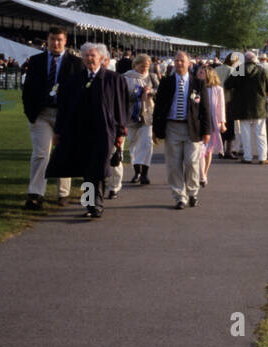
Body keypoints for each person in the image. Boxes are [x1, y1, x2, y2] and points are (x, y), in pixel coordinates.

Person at [46, 43, 127, 218]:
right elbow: (64, 108)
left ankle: (95, 203)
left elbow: (120, 106)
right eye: (86, 56)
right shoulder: (74, 80)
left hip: (104, 130)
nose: (89, 59)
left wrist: (121, 131)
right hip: (80, 131)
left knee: (99, 167)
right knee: (86, 168)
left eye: (93, 56)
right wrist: (58, 131)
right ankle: (91, 205)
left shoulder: (114, 79)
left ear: (102, 58)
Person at [20, 27, 83, 210]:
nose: (56, 43)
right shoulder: (36, 61)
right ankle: (35, 193)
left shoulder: (75, 63)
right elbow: (28, 90)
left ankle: (63, 193)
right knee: (41, 154)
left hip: (65, 115)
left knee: (64, 153)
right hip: (41, 114)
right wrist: (30, 112)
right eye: (52, 39)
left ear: (66, 42)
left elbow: (79, 92)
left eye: (59, 40)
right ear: (47, 40)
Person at [152, 51, 211, 209]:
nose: (179, 63)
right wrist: (156, 130)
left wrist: (207, 131)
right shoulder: (166, 82)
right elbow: (158, 107)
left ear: (189, 63)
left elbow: (205, 108)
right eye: (176, 61)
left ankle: (192, 192)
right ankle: (179, 196)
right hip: (172, 126)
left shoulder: (198, 84)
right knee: (173, 164)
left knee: (192, 162)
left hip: (192, 128)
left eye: (182, 61)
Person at [231, 49, 268, 164]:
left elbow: (228, 84)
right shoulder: (262, 71)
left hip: (243, 106)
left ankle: (247, 156)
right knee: (261, 133)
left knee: (245, 133)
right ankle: (262, 157)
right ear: (255, 60)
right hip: (259, 105)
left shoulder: (239, 70)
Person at [122, 54, 155, 185]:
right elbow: (122, 95)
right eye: (142, 66)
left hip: (147, 114)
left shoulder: (151, 77)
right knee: (133, 144)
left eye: (146, 67)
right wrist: (136, 95)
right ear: (135, 65)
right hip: (131, 115)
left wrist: (150, 91)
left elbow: (159, 90)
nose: (144, 69)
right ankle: (137, 171)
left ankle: (145, 174)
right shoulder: (126, 77)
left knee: (147, 143)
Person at [197, 65, 226, 186]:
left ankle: (204, 172)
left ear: (208, 75)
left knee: (208, 151)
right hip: (199, 122)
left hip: (212, 122)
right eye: (198, 72)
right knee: (200, 150)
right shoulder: (195, 88)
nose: (198, 75)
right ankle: (202, 176)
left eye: (201, 73)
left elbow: (221, 107)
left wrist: (222, 123)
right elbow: (193, 103)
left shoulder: (218, 89)